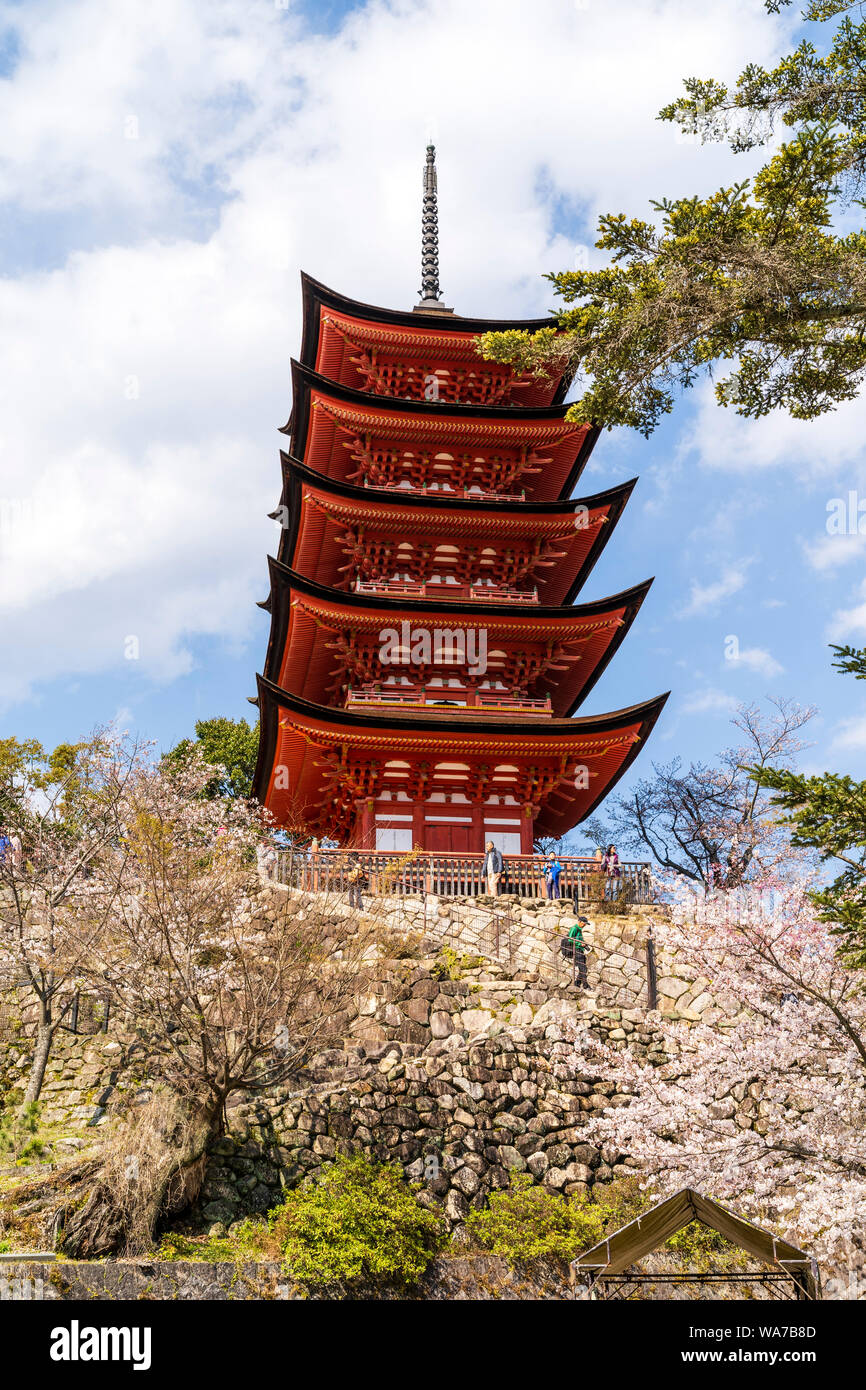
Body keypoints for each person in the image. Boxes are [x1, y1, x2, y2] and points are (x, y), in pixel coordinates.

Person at [560, 915, 589, 988]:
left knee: (583, 968)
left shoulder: (579, 929)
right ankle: (585, 985)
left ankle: (577, 983)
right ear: (579, 922)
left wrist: (584, 944)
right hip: (576, 950)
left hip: (580, 950)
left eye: (585, 924)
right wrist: (580, 944)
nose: (584, 925)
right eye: (583, 923)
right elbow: (570, 939)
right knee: (583, 968)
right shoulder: (574, 928)